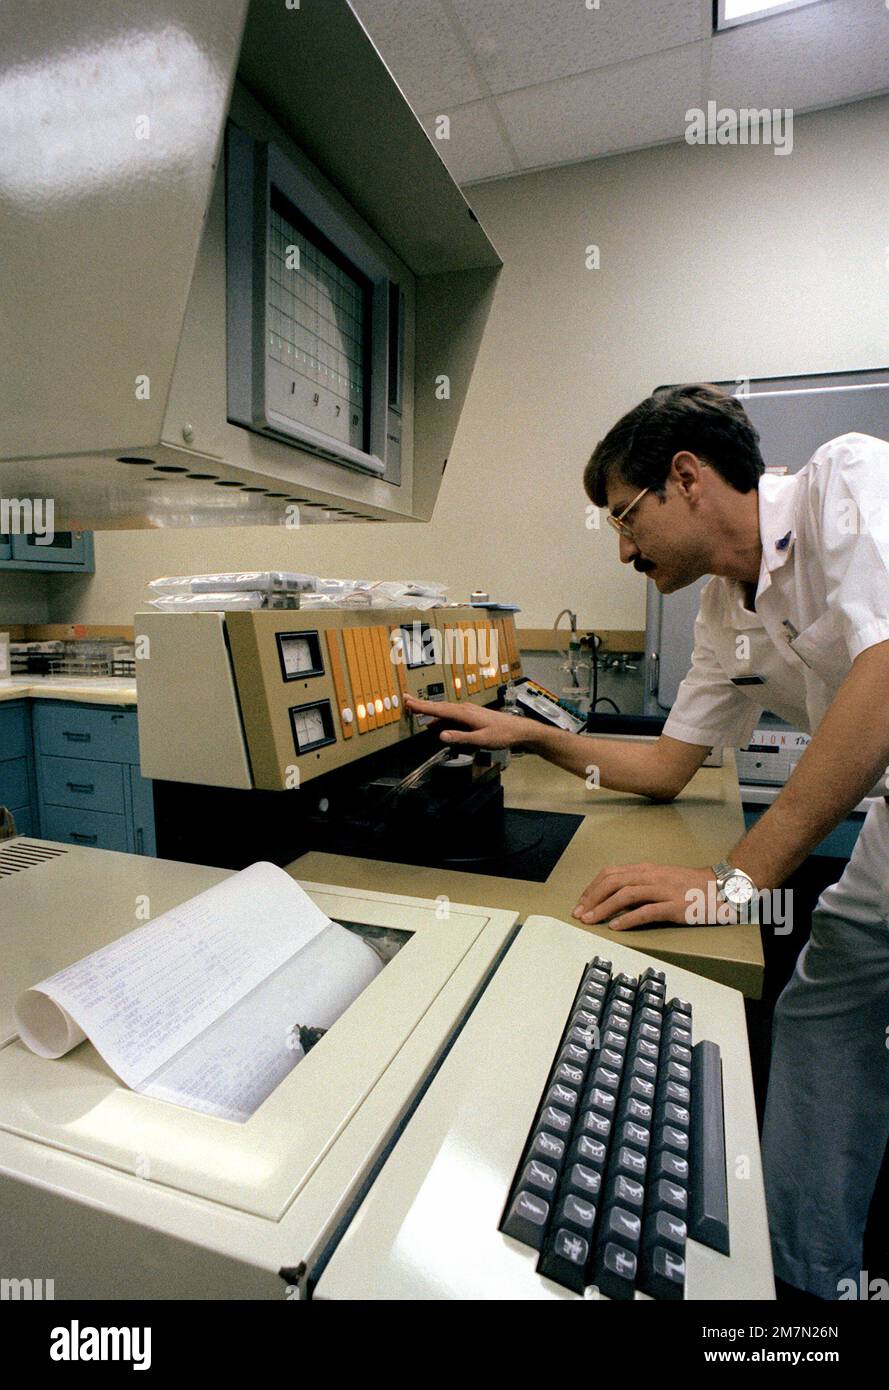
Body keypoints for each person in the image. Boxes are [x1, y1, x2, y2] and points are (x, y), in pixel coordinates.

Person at [405, 382, 889, 1299]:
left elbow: (885, 674)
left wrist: (733, 882)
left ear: (687, 477)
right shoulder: (719, 612)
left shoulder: (850, 483)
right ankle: (805, 1283)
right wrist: (536, 735)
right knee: (820, 1015)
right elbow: (667, 767)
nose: (623, 549)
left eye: (625, 519)